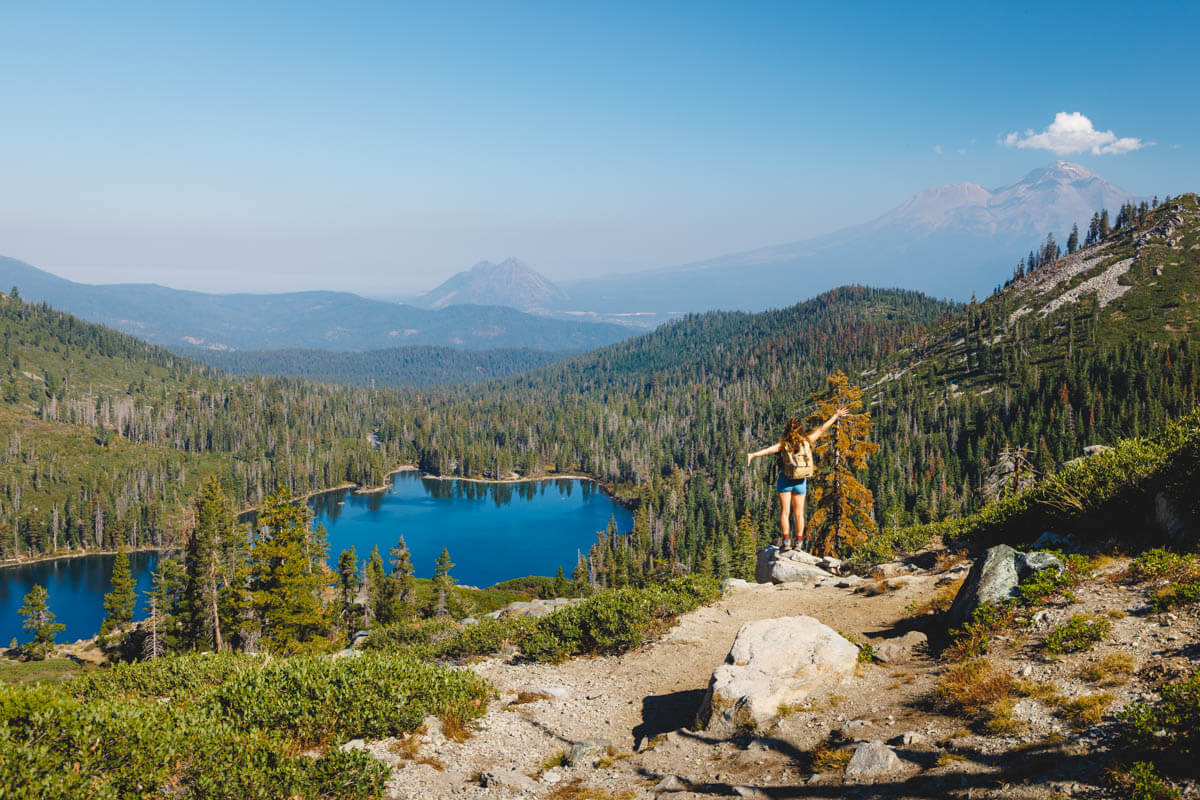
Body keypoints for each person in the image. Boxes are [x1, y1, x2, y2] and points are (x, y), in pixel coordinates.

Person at [746, 407, 849, 552]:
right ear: (801, 429)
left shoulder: (784, 444)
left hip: (785, 481)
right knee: (799, 514)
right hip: (801, 482)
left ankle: (787, 542)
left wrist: (753, 455)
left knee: (785, 513)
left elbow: (768, 450)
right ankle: (799, 544)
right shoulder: (807, 441)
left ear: (787, 429)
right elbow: (821, 430)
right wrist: (836, 415)